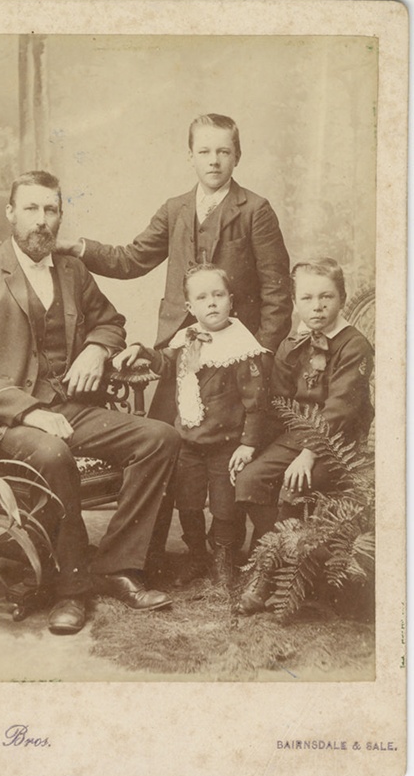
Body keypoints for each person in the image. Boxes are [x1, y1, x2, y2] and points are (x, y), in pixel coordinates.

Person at [0, 170, 181, 636]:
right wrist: (30, 411)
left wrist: (96, 348)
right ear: (11, 214)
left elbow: (111, 321)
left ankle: (116, 565)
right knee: (52, 454)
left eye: (50, 210)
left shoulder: (72, 271)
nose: (41, 221)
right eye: (31, 209)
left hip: (69, 407)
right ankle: (70, 589)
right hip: (5, 422)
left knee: (160, 438)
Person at [58, 112, 293, 559]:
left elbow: (277, 289)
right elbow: (131, 259)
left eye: (224, 151)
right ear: (190, 156)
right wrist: (79, 248)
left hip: (234, 354)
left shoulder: (255, 210)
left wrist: (260, 352)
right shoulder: (175, 209)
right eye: (204, 151)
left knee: (230, 449)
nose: (214, 160)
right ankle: (153, 556)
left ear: (237, 155)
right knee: (166, 445)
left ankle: (228, 550)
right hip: (179, 354)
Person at [113, 264, 269, 588]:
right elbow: (167, 364)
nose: (212, 303)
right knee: (188, 503)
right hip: (189, 443)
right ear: (190, 307)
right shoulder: (186, 338)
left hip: (225, 444)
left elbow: (256, 403)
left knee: (225, 509)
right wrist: (141, 351)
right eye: (202, 297)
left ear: (231, 299)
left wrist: (249, 443)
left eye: (219, 295)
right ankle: (197, 555)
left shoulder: (241, 346)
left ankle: (223, 558)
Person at [233, 257, 374, 614]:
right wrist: (253, 445)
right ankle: (278, 557)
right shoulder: (292, 343)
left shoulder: (354, 345)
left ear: (341, 297)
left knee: (294, 485)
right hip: (297, 438)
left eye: (326, 297)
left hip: (340, 445)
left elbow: (341, 409)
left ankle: (268, 579)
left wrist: (310, 453)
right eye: (307, 298)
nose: (317, 307)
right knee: (250, 480)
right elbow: (279, 403)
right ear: (295, 302)